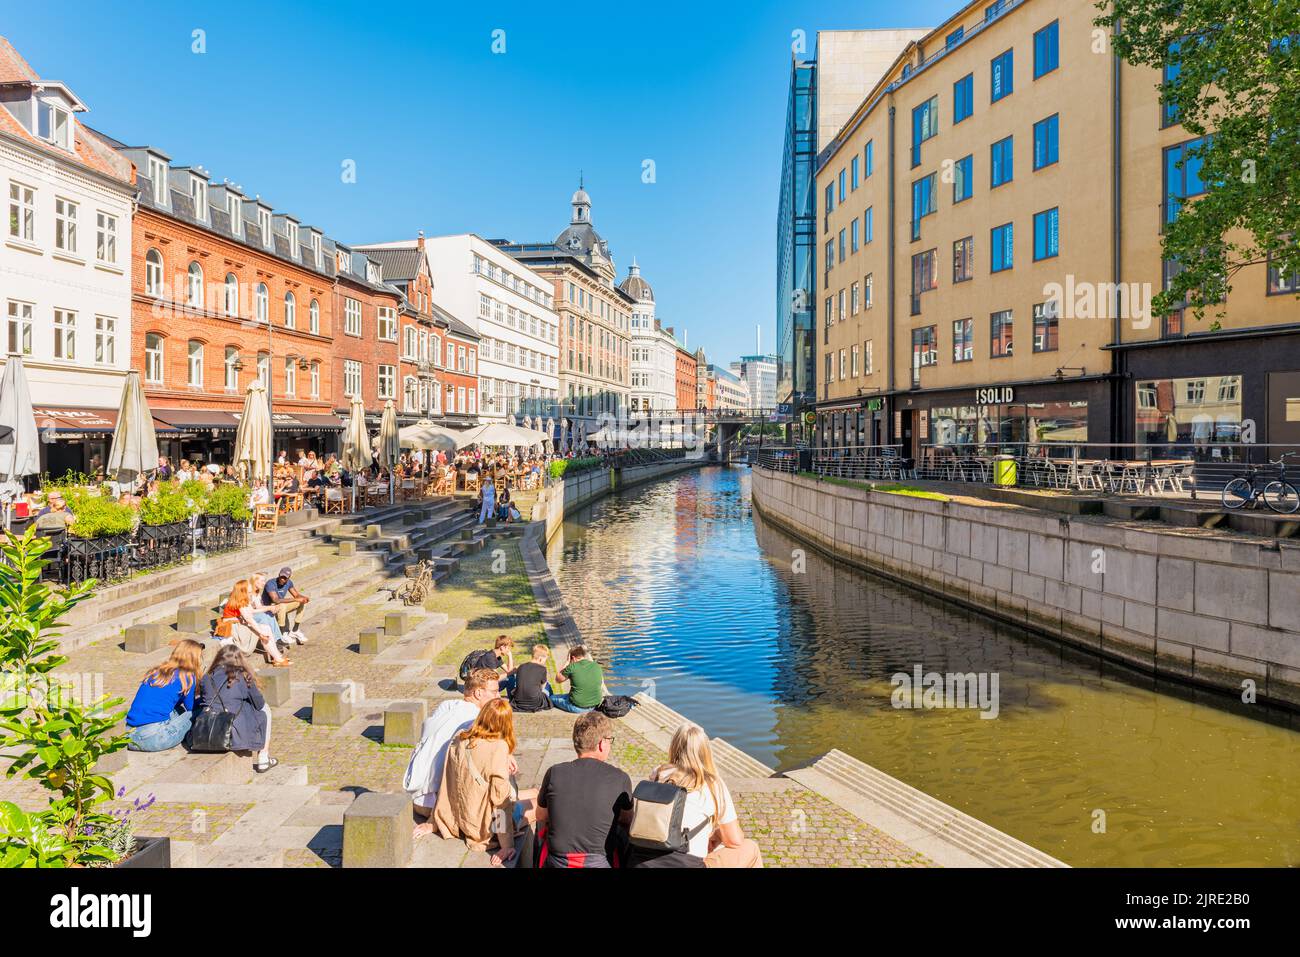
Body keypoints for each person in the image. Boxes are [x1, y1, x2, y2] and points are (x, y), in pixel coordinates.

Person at [630, 723, 763, 869]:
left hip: (642, 862)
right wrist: (718, 834)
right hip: (686, 864)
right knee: (751, 848)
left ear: (674, 747)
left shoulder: (658, 774)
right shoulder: (712, 784)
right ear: (705, 751)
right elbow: (734, 841)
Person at [432, 698, 539, 866]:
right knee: (543, 805)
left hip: (464, 814)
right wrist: (506, 845)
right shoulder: (498, 747)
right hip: (484, 824)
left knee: (536, 792)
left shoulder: (461, 738)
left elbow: (448, 783)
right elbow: (500, 804)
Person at [405, 668, 501, 836]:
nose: (498, 696)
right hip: (438, 806)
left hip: (416, 798)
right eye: (494, 692)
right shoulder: (475, 721)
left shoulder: (447, 706)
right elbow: (456, 769)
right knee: (521, 800)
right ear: (478, 693)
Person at [535, 711, 632, 868]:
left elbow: (540, 816)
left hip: (557, 863)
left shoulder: (554, 772)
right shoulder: (620, 778)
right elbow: (627, 819)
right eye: (609, 740)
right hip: (600, 863)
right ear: (601, 744)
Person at [197, 644, 276, 772]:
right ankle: (263, 757)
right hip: (233, 732)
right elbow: (259, 704)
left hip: (207, 729)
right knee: (265, 710)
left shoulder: (206, 677)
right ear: (240, 660)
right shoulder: (242, 676)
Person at [124, 639, 204, 751]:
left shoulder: (156, 672)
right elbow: (191, 708)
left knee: (177, 709)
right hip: (154, 738)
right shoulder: (187, 676)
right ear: (194, 659)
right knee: (196, 713)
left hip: (129, 737)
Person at [216, 579, 290, 666]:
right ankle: (277, 658)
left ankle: (277, 656)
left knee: (266, 628)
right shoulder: (239, 600)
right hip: (233, 627)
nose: (251, 593)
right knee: (264, 631)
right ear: (243, 591)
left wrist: (269, 608)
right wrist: (260, 632)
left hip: (239, 624)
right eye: (249, 591)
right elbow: (248, 618)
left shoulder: (242, 598)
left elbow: (251, 611)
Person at [261, 566, 309, 643]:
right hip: (268, 608)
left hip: (279, 605)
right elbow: (275, 600)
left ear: (289, 578)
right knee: (282, 605)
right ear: (279, 575)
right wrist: (296, 599)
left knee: (302, 602)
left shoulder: (289, 583)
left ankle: (295, 630)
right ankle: (282, 634)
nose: (282, 579)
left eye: (285, 578)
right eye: (281, 576)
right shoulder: (270, 583)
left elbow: (296, 595)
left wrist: (304, 598)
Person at [549, 645, 603, 714]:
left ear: (573, 658)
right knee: (568, 695)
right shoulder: (596, 665)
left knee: (551, 698)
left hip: (578, 707)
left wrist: (567, 662)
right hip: (595, 705)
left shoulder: (572, 667)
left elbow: (558, 679)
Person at [249, 572, 295, 650]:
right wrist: (268, 608)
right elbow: (249, 611)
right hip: (244, 615)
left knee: (269, 613)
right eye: (262, 581)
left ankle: (278, 639)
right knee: (263, 616)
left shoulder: (256, 591)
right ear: (255, 581)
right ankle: (272, 641)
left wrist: (271, 608)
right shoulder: (248, 591)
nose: (264, 583)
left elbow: (259, 607)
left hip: (252, 612)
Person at [510, 644, 553, 713]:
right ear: (540, 658)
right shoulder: (542, 669)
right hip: (535, 703)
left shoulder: (521, 666)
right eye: (545, 659)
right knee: (547, 685)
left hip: (518, 702)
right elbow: (542, 688)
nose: (545, 662)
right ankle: (552, 699)